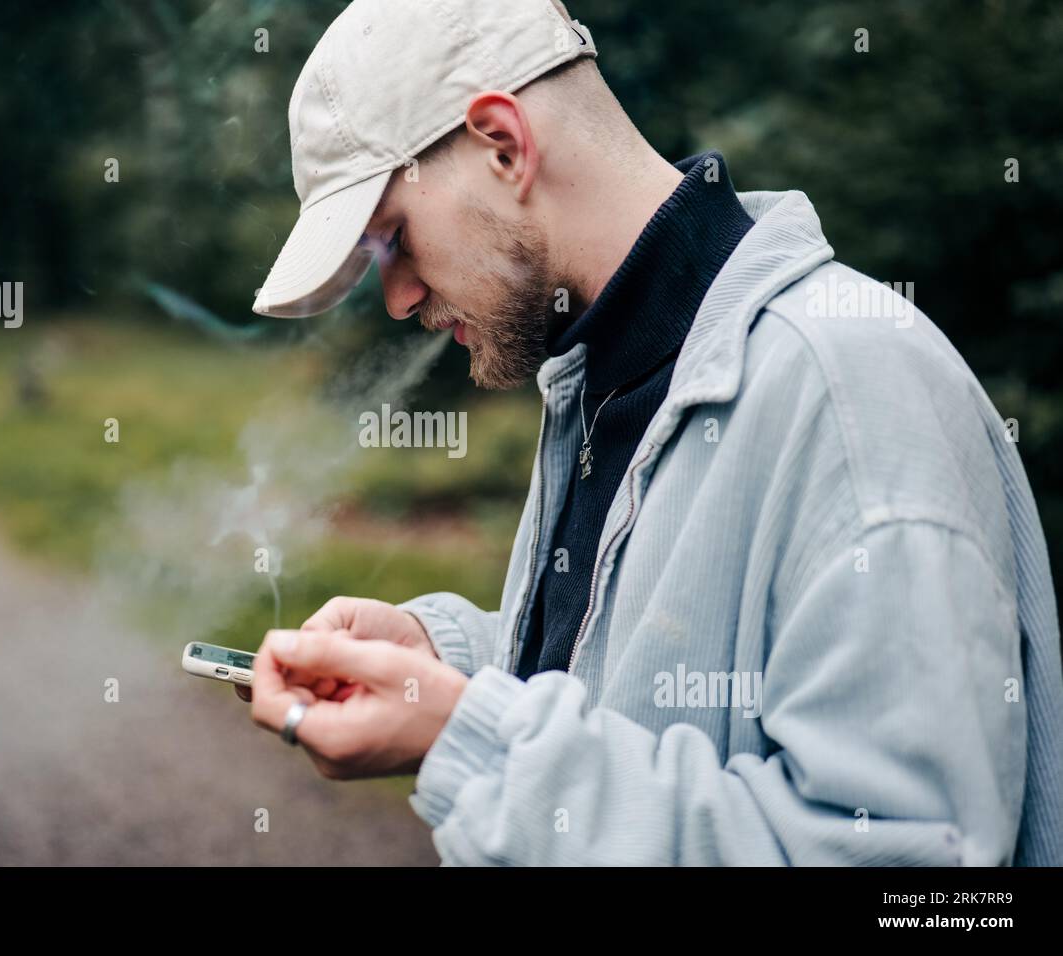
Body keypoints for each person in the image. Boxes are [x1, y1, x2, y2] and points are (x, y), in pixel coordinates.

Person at [238, 0, 1063, 865]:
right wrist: (458, 667)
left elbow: (915, 867)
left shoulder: (851, 388)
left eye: (393, 240)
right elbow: (666, 697)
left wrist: (476, 745)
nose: (399, 297)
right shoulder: (605, 374)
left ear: (504, 146)